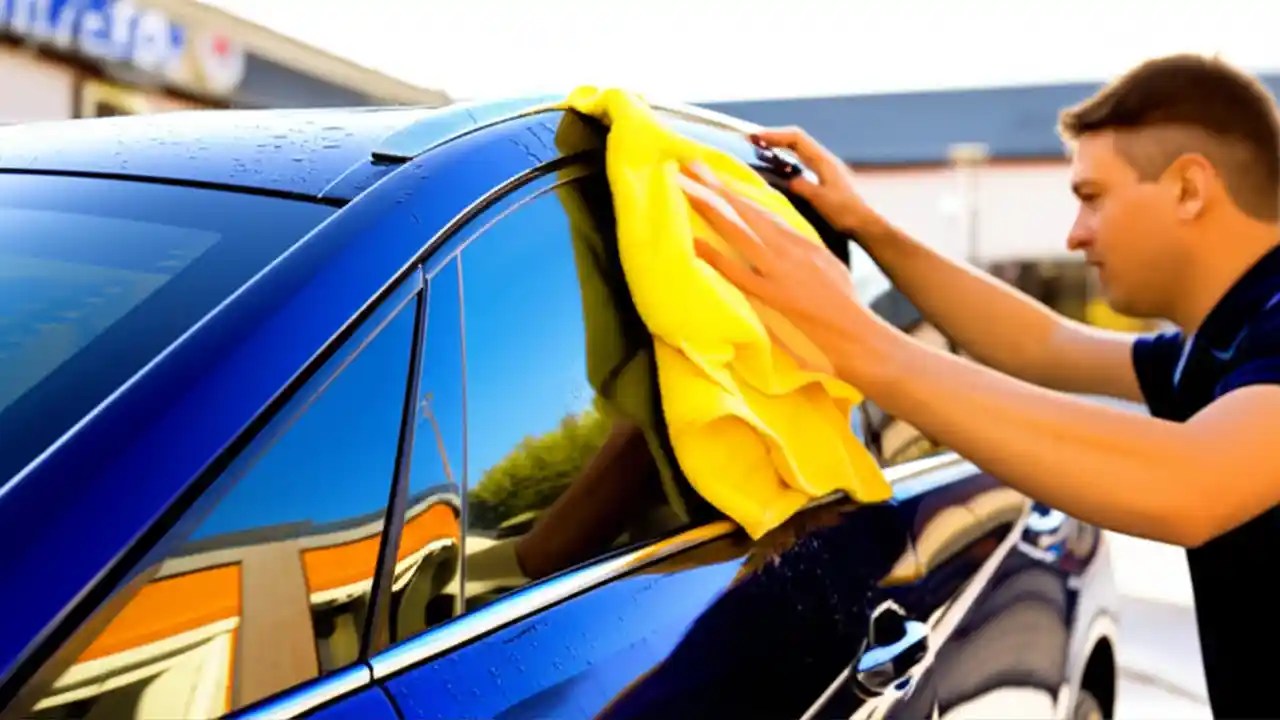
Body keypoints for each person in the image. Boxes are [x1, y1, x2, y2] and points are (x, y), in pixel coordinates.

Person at [679, 53, 1280, 719]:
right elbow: (1043, 345)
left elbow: (1189, 485)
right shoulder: (1224, 340)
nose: (1075, 235)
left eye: (1091, 197)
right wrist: (867, 226)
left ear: (1189, 188)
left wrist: (855, 342)